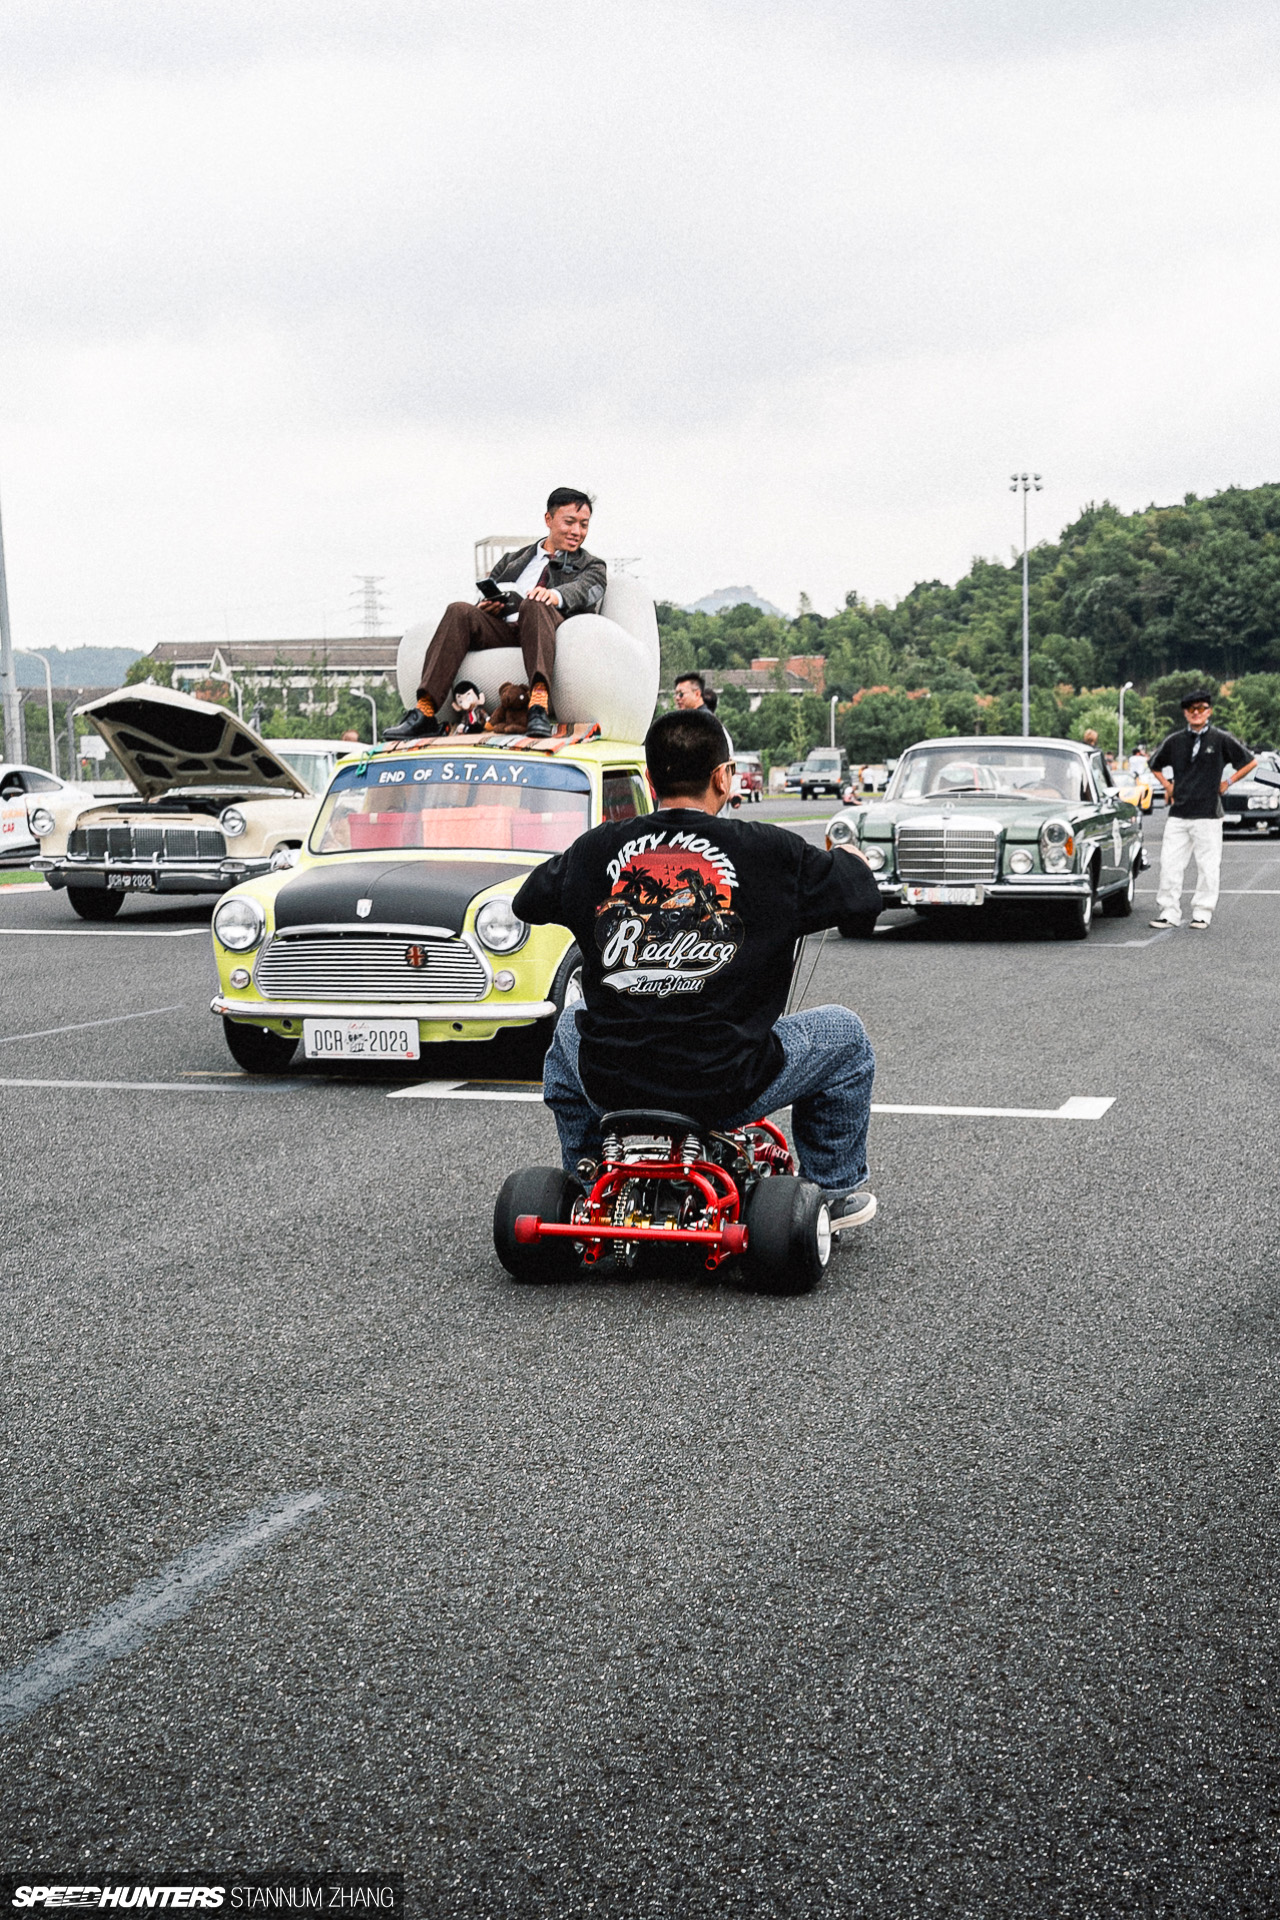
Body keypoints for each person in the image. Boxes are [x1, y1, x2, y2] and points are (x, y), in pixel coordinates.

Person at [513, 706, 881, 1229]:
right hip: (724, 1082)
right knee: (844, 1035)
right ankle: (834, 1189)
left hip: (614, 1080)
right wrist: (849, 856)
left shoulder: (597, 849)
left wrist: (590, 873)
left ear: (648, 778)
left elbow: (528, 901)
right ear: (723, 778)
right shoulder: (770, 851)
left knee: (569, 1032)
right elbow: (861, 898)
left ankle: (589, 1176)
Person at [385, 488, 606, 742]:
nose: (577, 532)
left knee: (535, 603)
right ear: (549, 520)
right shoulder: (513, 560)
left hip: (547, 628)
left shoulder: (592, 565)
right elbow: (492, 589)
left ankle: (538, 706)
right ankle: (424, 712)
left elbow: (588, 589)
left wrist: (554, 595)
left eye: (584, 525)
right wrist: (485, 607)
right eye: (569, 522)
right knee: (459, 610)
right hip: (504, 626)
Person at [1147, 690, 1256, 930]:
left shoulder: (1220, 739)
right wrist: (1167, 785)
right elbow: (1154, 764)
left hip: (1208, 814)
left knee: (1208, 866)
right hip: (1179, 814)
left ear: (1209, 711)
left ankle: (1203, 913)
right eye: (1191, 709)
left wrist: (1228, 782)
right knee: (1170, 864)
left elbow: (1250, 761)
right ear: (1185, 713)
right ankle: (1169, 912)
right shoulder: (1175, 741)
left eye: (1202, 708)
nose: (1196, 713)